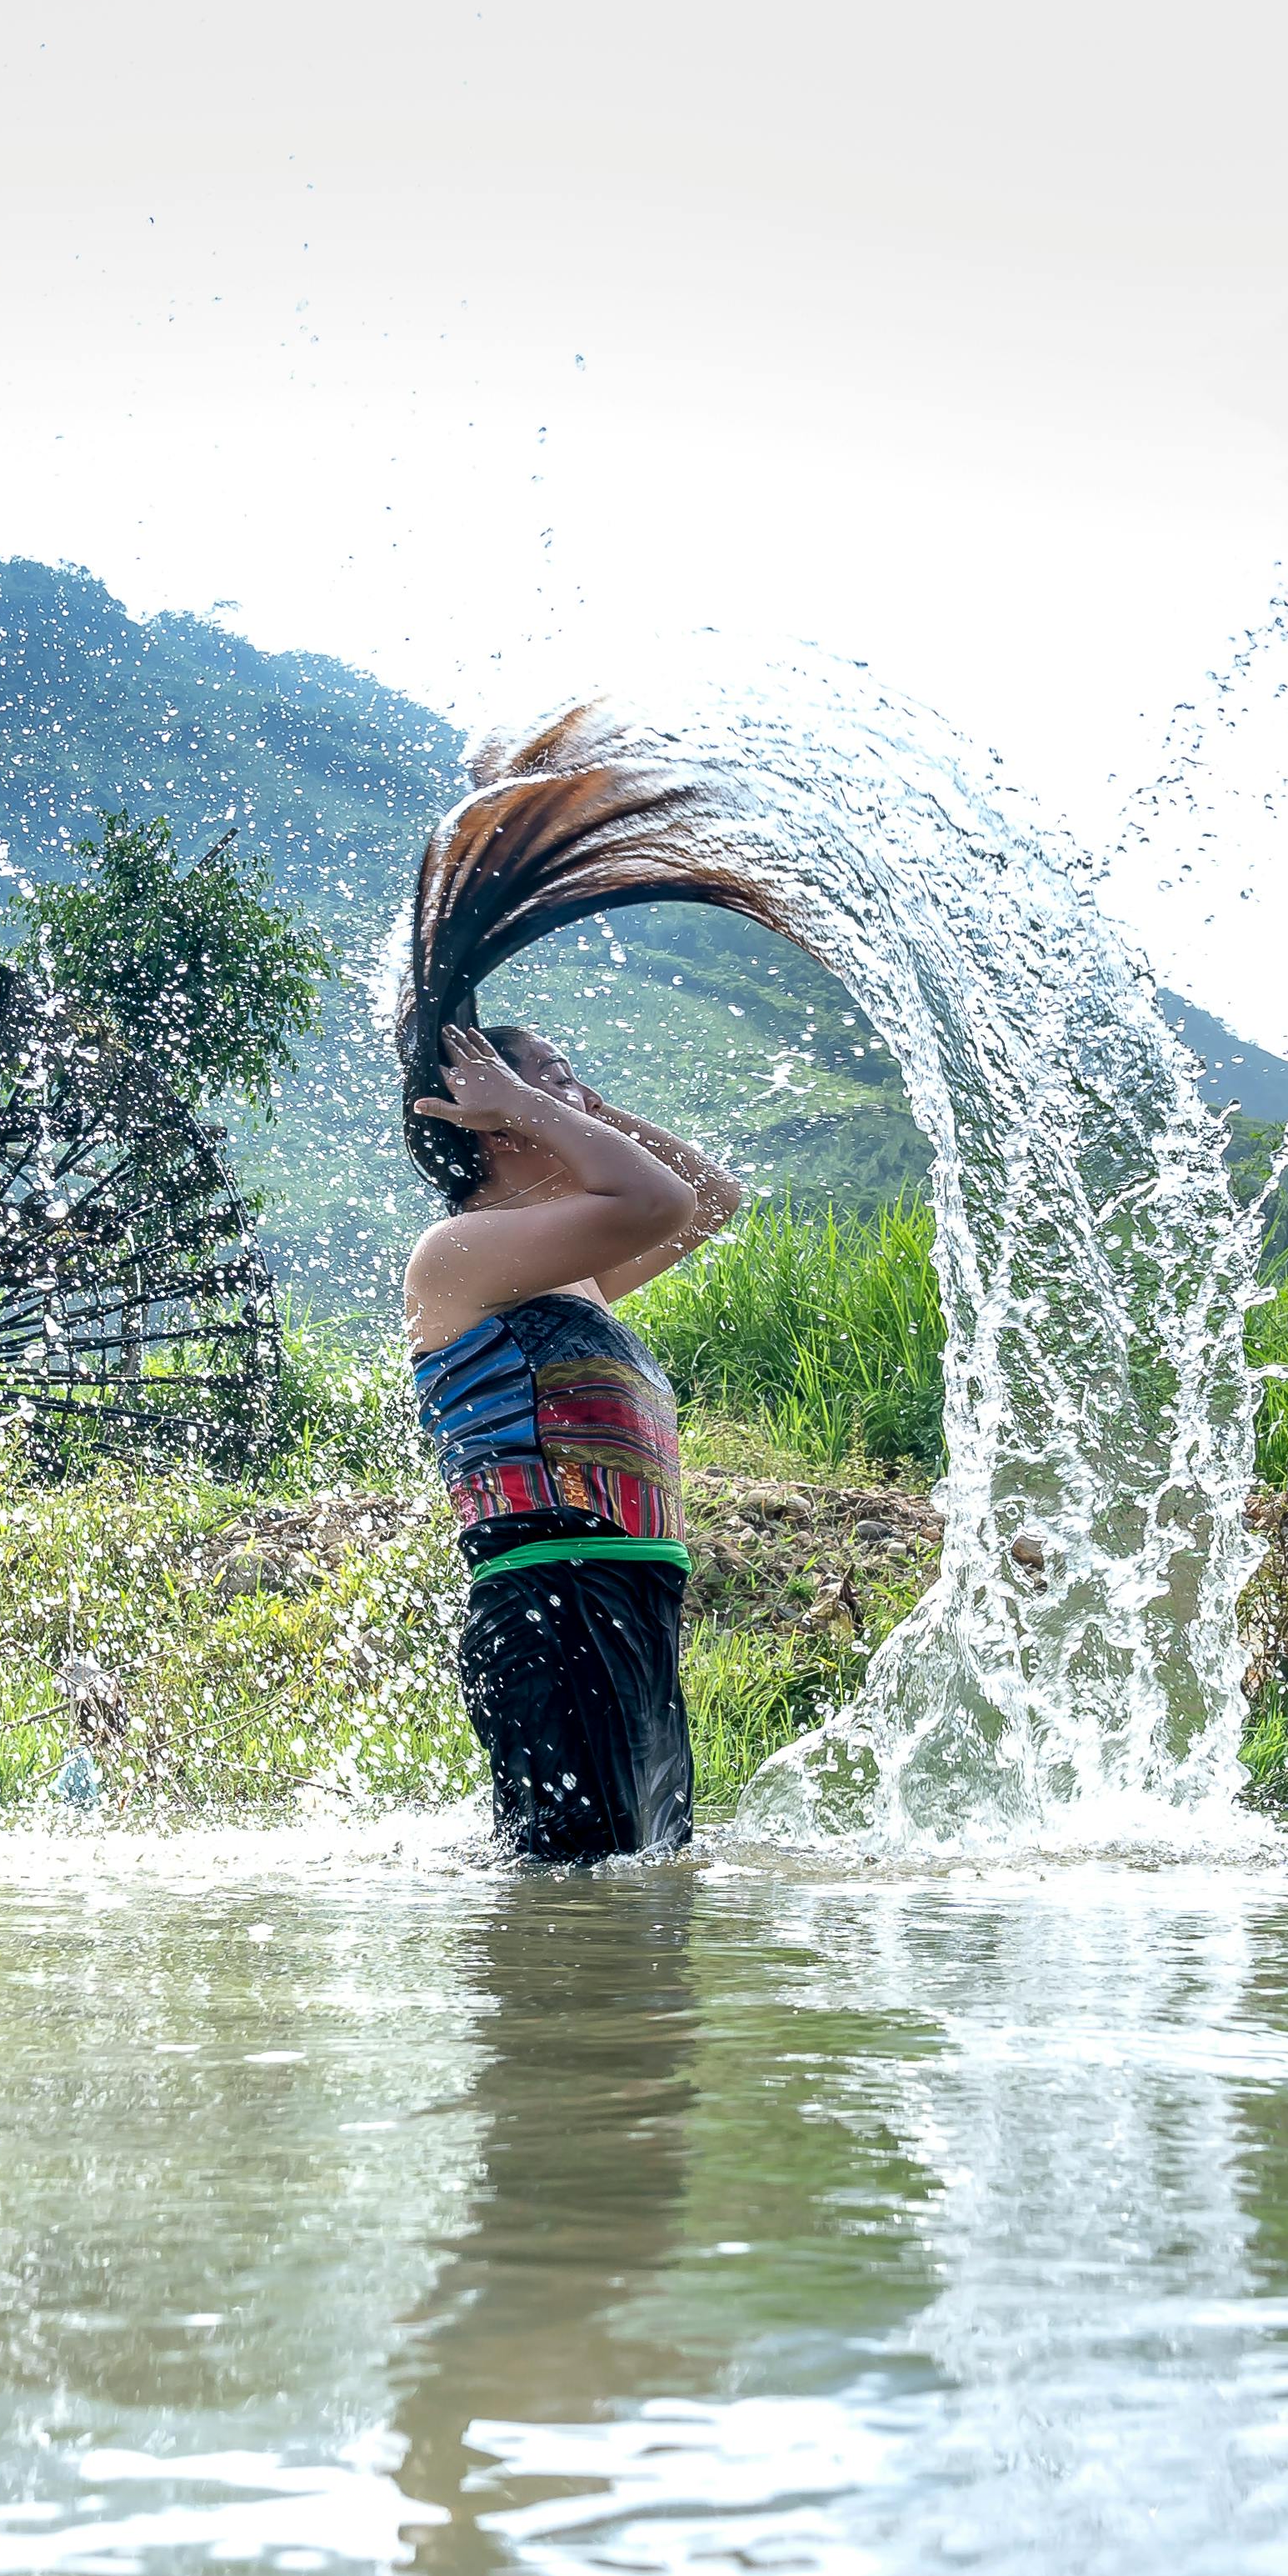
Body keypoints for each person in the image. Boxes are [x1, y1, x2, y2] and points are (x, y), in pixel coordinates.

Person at [396, 717, 775, 1863]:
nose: (582, 1097)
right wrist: (527, 1100)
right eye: (548, 1082)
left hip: (628, 1600)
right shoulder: (458, 1255)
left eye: (577, 1080)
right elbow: (660, 1204)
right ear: (489, 1116)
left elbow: (710, 1195)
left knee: (644, 1892)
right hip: (549, 1597)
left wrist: (568, 1104)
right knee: (578, 1894)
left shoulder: (574, 1269)